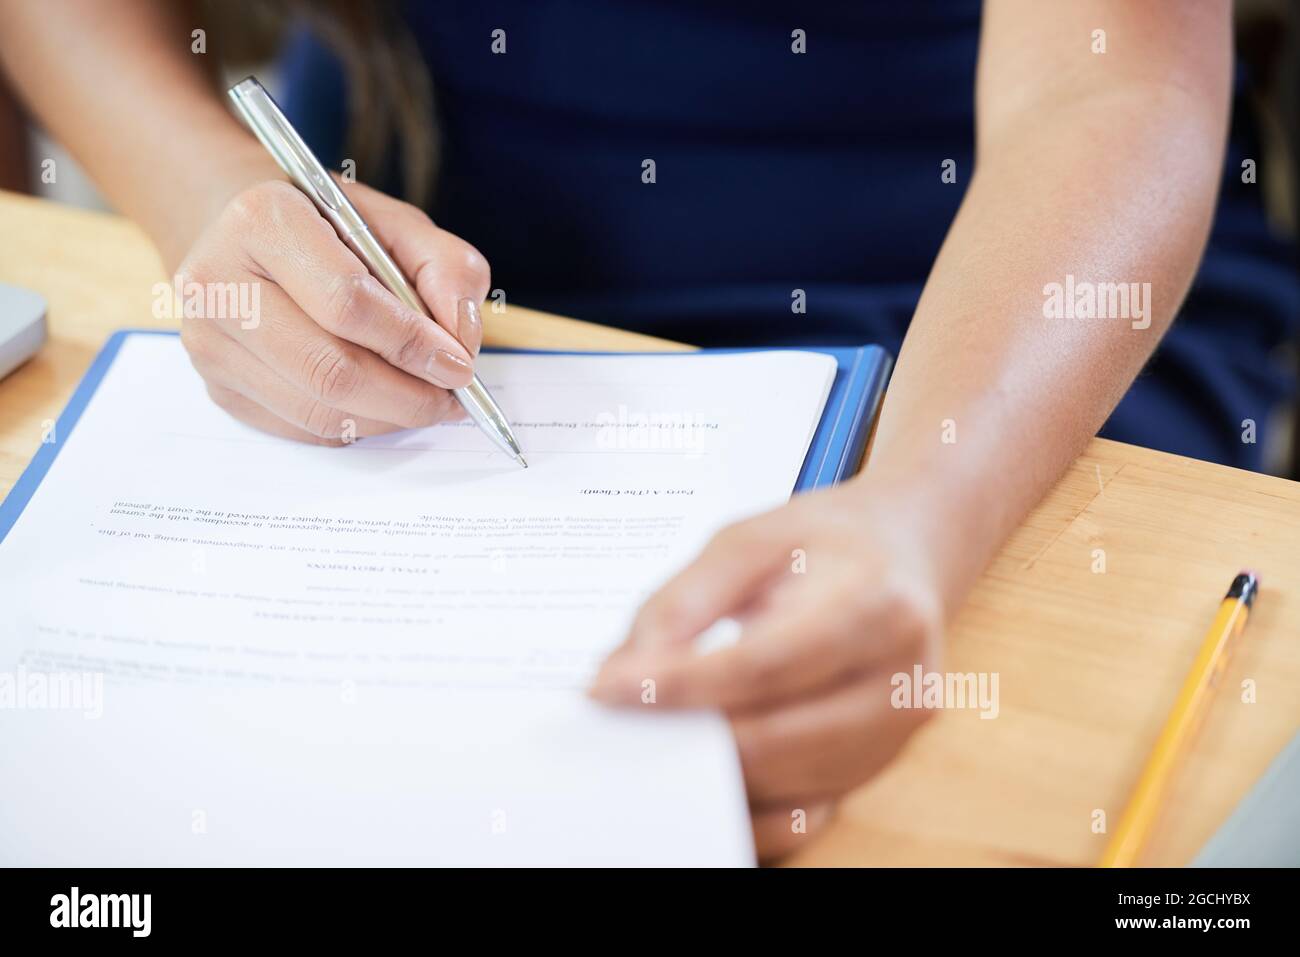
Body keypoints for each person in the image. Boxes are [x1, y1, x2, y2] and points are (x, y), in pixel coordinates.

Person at [2, 0, 1295, 859]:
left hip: (1018, 330)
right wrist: (212, 195)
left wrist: (921, 508)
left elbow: (1112, 86)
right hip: (449, 265)